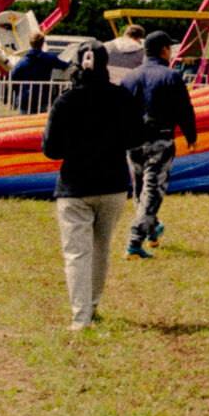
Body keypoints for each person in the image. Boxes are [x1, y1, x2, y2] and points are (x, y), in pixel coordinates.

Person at [40, 43, 152, 331]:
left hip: (74, 187)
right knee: (100, 249)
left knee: (77, 254)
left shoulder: (65, 102)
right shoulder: (121, 97)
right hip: (112, 184)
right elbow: (136, 137)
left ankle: (80, 317)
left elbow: (50, 149)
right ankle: (91, 305)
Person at [119, 30, 198, 259]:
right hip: (160, 142)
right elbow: (185, 110)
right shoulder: (171, 77)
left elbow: (120, 112)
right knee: (152, 193)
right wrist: (191, 136)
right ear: (164, 50)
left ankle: (153, 230)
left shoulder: (129, 77)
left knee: (140, 191)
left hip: (133, 143)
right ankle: (134, 242)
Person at [9, 31, 68, 114]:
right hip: (41, 98)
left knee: (23, 124)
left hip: (24, 98)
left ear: (30, 43)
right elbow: (66, 66)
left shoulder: (22, 61)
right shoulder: (49, 58)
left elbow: (14, 78)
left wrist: (18, 90)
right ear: (42, 44)